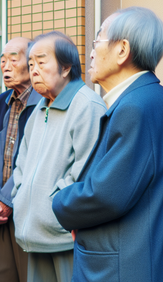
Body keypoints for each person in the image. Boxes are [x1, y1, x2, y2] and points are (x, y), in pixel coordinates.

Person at [52, 7, 163, 282]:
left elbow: (105, 195)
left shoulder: (135, 107)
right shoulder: (150, 98)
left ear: (122, 50)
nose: (90, 53)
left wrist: (59, 201)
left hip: (125, 268)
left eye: (97, 42)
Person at [9, 31, 106, 282]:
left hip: (64, 235)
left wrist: (54, 204)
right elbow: (21, 164)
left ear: (66, 68)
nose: (33, 70)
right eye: (30, 64)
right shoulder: (39, 107)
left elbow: (87, 172)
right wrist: (20, 194)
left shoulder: (87, 106)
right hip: (35, 235)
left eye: (41, 62)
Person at [0, 37, 42, 282]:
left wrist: (6, 199)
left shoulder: (43, 104)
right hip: (0, 216)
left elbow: (36, 159)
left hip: (29, 213)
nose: (5, 65)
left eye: (13, 59)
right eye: (2, 60)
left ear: (32, 63)